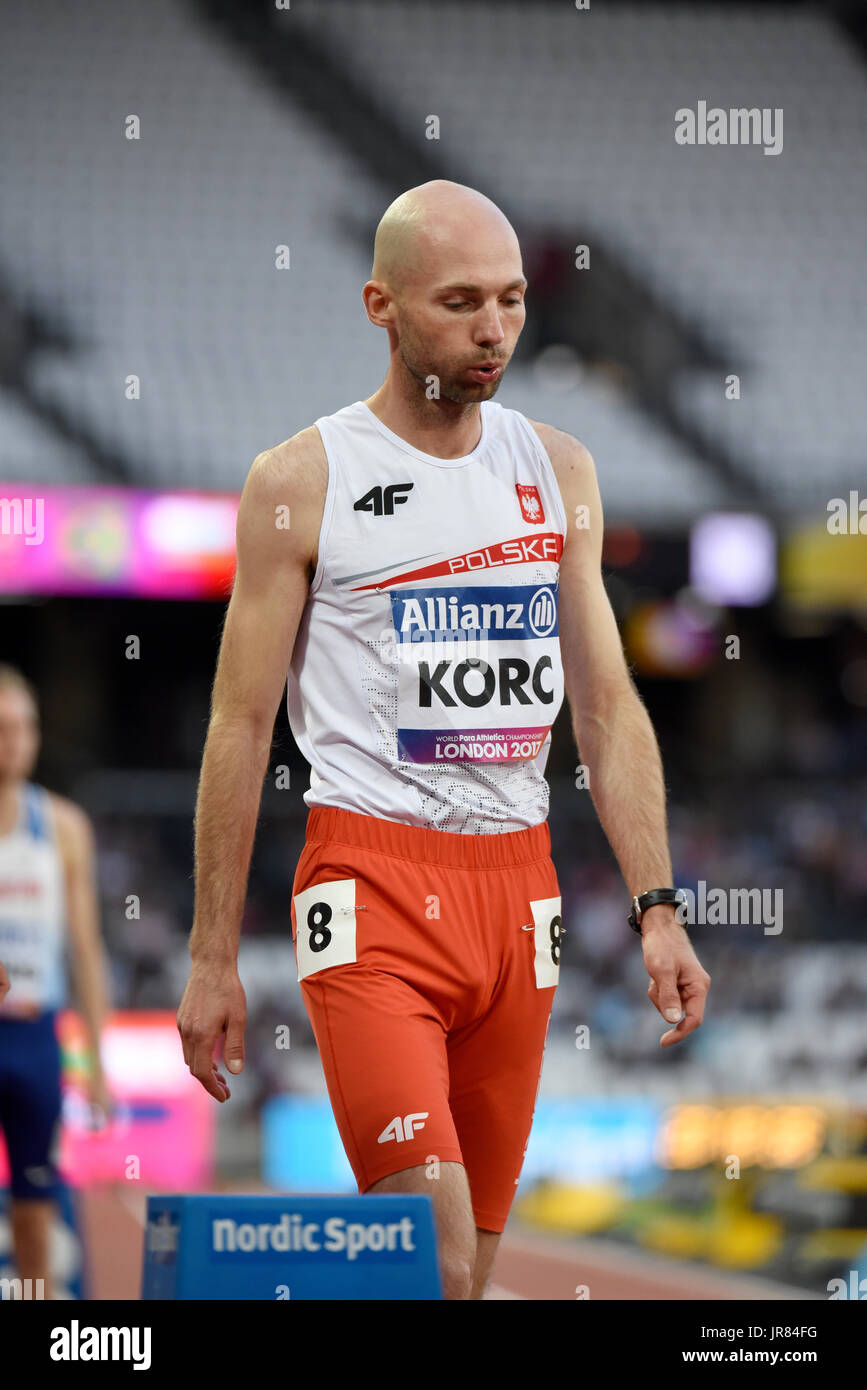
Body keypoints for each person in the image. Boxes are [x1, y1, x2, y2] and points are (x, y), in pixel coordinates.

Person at [177, 180, 711, 1301]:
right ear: (382, 304)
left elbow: (607, 707)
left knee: (465, 1280)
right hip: (370, 884)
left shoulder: (558, 472)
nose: (495, 328)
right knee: (429, 1249)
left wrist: (659, 906)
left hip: (521, 897)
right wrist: (211, 951)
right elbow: (240, 720)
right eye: (462, 300)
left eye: (513, 301)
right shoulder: (300, 483)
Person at [0, 665, 111, 1297]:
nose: (16, 741)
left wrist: (95, 1062)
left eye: (26, 727)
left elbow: (87, 952)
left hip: (35, 1042)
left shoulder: (62, 828)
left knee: (36, 1213)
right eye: (3, 729)